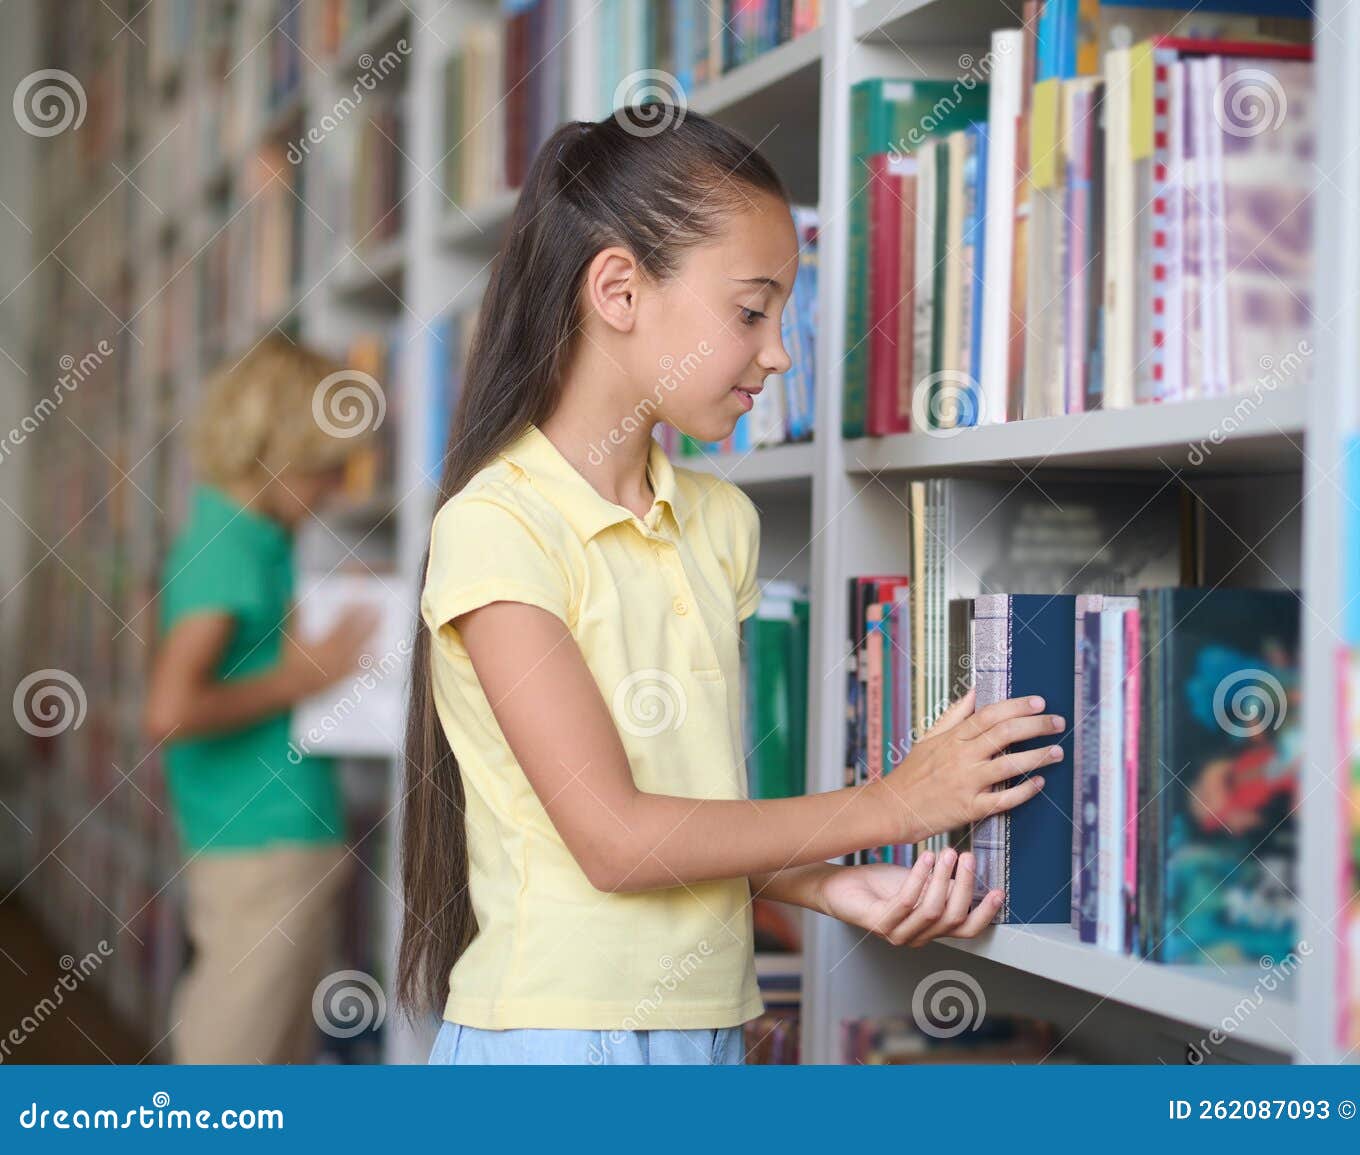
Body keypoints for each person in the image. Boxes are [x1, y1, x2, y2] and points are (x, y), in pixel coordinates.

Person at [399, 107, 1066, 1067]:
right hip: (556, 1042)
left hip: (712, 1027)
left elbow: (691, 808)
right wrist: (896, 801)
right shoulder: (497, 526)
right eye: (751, 311)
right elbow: (617, 840)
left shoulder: (720, 523)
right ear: (619, 290)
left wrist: (826, 885)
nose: (780, 353)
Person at [145, 334, 378, 1063]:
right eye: (326, 466)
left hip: (270, 842)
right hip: (260, 848)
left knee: (269, 1055)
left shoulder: (249, 538)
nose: (339, 485)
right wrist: (303, 677)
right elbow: (169, 709)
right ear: (277, 451)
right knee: (232, 1062)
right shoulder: (232, 547)